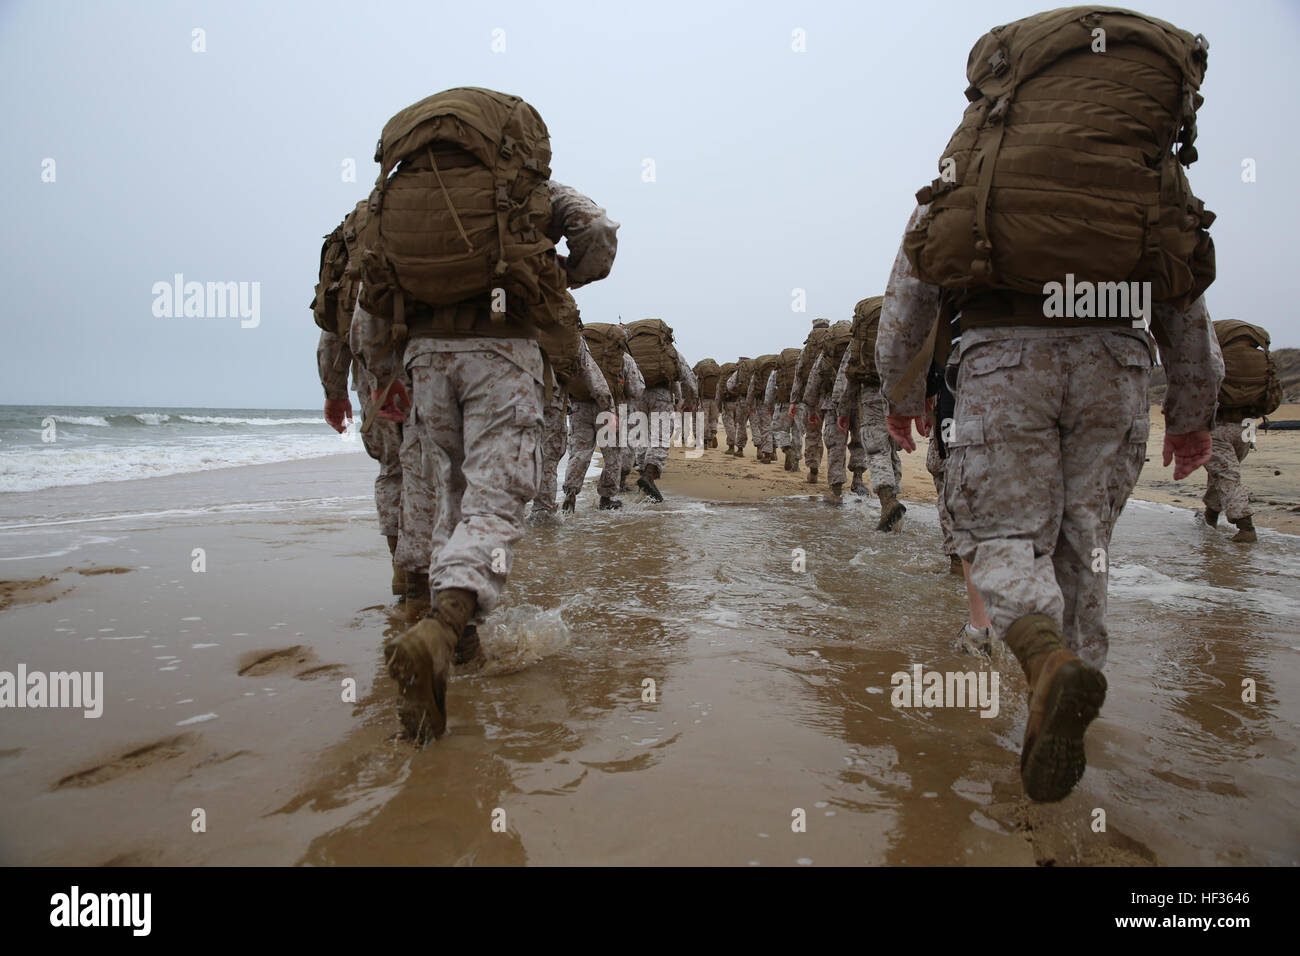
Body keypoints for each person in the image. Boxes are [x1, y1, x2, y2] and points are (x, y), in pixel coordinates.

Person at [357, 87, 619, 742]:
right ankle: (443, 631)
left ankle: (450, 633)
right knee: (494, 506)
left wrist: (380, 367)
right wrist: (565, 271)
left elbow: (369, 285)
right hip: (503, 356)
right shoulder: (537, 194)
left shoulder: (397, 197)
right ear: (515, 145)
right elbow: (599, 235)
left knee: (442, 499)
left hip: (423, 360)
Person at [312, 202, 406, 596]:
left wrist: (334, 393)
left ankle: (406, 572)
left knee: (394, 471)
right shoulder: (456, 204)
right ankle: (455, 583)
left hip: (375, 376)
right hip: (447, 364)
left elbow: (337, 321)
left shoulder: (358, 225)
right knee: (452, 471)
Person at [562, 323, 642, 511]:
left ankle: (570, 495)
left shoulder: (582, 352)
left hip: (579, 406)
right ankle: (606, 499)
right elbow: (636, 390)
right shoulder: (625, 359)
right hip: (610, 409)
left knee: (580, 453)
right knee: (612, 455)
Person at [624, 319, 697, 501]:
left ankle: (641, 469)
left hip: (636, 395)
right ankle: (649, 474)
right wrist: (689, 401)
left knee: (640, 434)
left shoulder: (630, 352)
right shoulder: (670, 353)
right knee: (660, 435)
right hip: (661, 395)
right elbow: (689, 379)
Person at [801, 320, 864, 505]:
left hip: (832, 402)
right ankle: (858, 478)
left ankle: (836, 489)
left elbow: (813, 379)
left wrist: (811, 406)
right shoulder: (860, 348)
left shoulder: (825, 353)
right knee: (859, 441)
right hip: (859, 401)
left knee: (836, 445)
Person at [788, 318, 831, 483]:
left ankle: (813, 469)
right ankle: (851, 477)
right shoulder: (836, 344)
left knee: (813, 433)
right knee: (836, 437)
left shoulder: (807, 350)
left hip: (811, 397)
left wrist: (794, 401)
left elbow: (798, 377)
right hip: (833, 396)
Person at [765, 347, 804, 471]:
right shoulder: (803, 369)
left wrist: (769, 405)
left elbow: (770, 390)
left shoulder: (777, 372)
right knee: (798, 433)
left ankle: (787, 449)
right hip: (801, 404)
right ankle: (796, 462)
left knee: (779, 429)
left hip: (783, 404)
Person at [692, 358, 722, 449]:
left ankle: (704, 441)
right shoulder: (717, 372)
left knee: (703, 420)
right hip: (715, 399)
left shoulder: (701, 372)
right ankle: (713, 434)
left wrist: (696, 400)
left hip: (704, 399)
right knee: (713, 419)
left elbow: (697, 387)